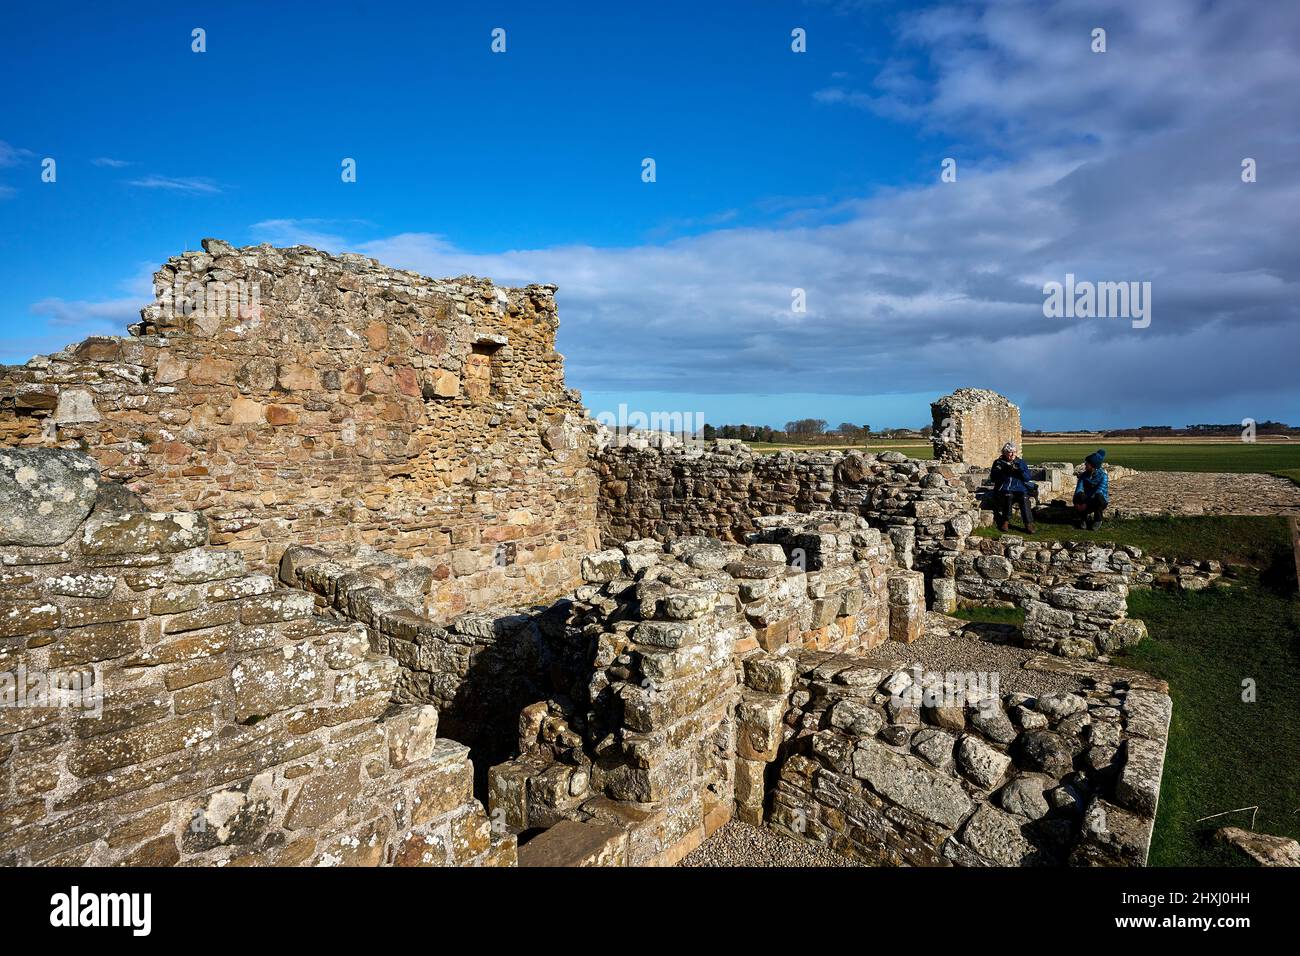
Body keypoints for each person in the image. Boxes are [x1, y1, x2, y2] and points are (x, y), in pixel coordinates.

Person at [988, 441, 1035, 534]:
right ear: (1004, 453)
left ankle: (1028, 523)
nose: (1012, 454)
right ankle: (1005, 521)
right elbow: (993, 478)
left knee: (1024, 498)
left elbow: (1028, 478)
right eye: (1010, 452)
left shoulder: (1021, 462)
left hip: (1019, 488)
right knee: (1008, 495)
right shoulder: (998, 462)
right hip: (1004, 488)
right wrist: (1002, 471)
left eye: (1014, 452)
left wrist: (1020, 471)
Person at [1074, 449, 1109, 530]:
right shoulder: (1084, 475)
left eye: (1087, 463)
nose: (1085, 464)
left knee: (1098, 497)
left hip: (1099, 500)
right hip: (1087, 499)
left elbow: (1099, 491)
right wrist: (1076, 502)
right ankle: (1083, 519)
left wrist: (1086, 505)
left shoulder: (1103, 476)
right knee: (1079, 495)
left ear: (1093, 466)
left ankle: (1098, 520)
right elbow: (1079, 489)